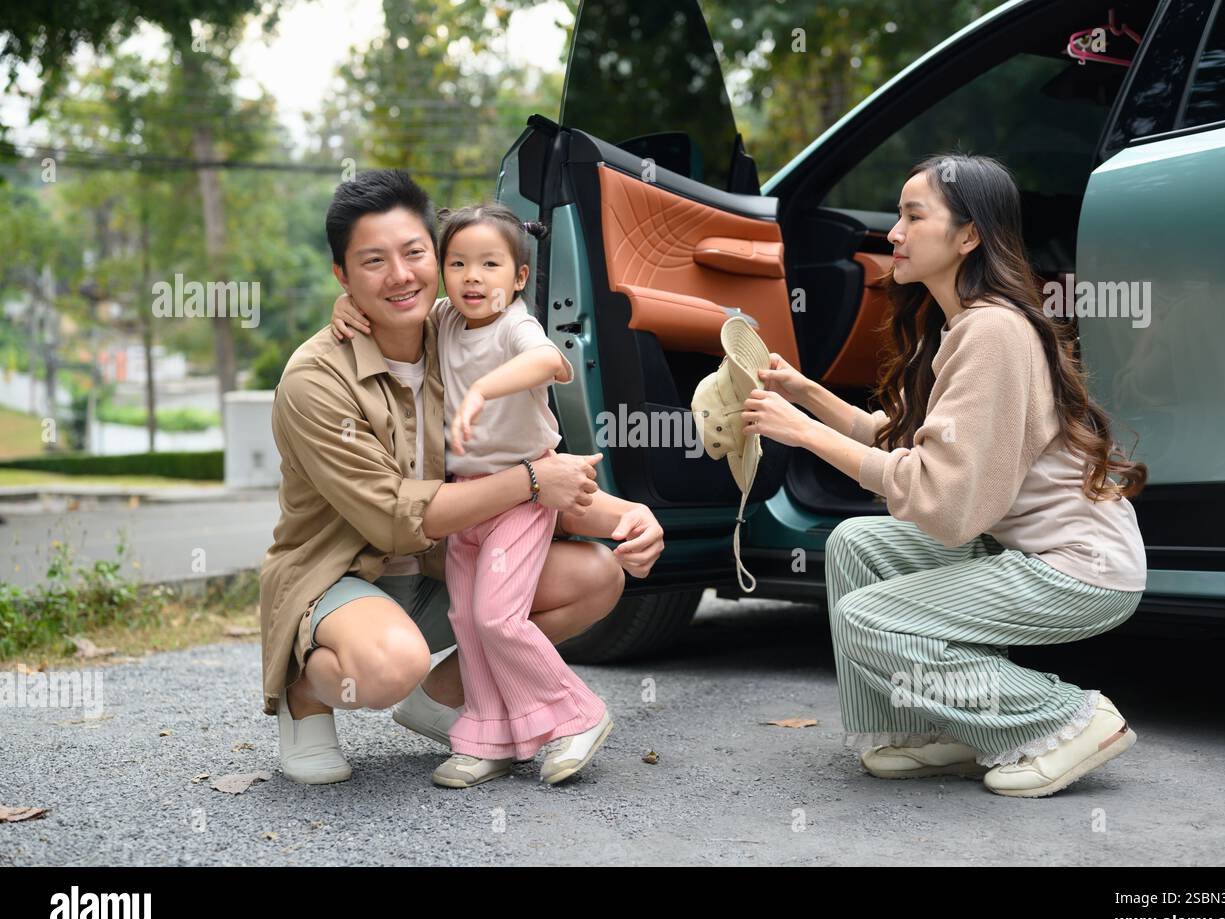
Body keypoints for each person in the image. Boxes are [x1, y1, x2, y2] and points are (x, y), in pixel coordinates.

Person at [742, 153, 1148, 798]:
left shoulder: (992, 332)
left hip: (1077, 569)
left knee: (871, 618)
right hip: (1022, 547)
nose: (894, 234)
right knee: (853, 543)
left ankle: (1066, 718)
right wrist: (807, 397)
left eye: (912, 216)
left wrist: (800, 434)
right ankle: (916, 731)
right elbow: (912, 449)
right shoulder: (965, 325)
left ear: (968, 235)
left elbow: (943, 500)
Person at [262, 170, 664, 786]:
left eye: (414, 253)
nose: (400, 275)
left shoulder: (458, 333)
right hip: (340, 573)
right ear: (342, 276)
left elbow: (524, 462)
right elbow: (400, 519)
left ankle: (451, 702)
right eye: (372, 261)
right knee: (389, 662)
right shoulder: (314, 380)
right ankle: (305, 697)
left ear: (438, 260)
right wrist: (533, 480)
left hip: (440, 565)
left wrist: (628, 515)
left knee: (594, 575)